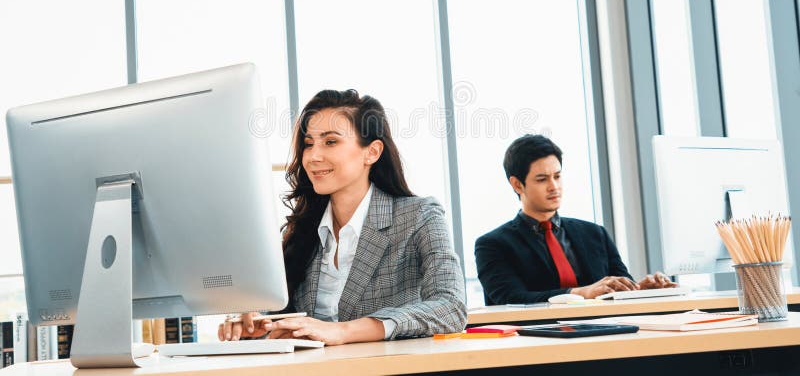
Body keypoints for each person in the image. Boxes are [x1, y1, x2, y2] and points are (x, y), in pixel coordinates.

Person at [219, 89, 466, 345]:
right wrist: (262, 324)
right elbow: (293, 322)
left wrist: (343, 331)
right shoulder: (303, 229)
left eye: (330, 142)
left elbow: (450, 307)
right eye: (308, 143)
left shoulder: (419, 216)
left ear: (371, 152)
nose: (313, 156)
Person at [475, 134, 677, 304]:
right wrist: (582, 293)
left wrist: (641, 288)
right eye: (542, 179)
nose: (554, 186)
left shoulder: (595, 233)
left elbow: (617, 288)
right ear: (517, 185)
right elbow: (511, 299)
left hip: (607, 333)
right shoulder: (493, 245)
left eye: (557, 176)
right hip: (535, 340)